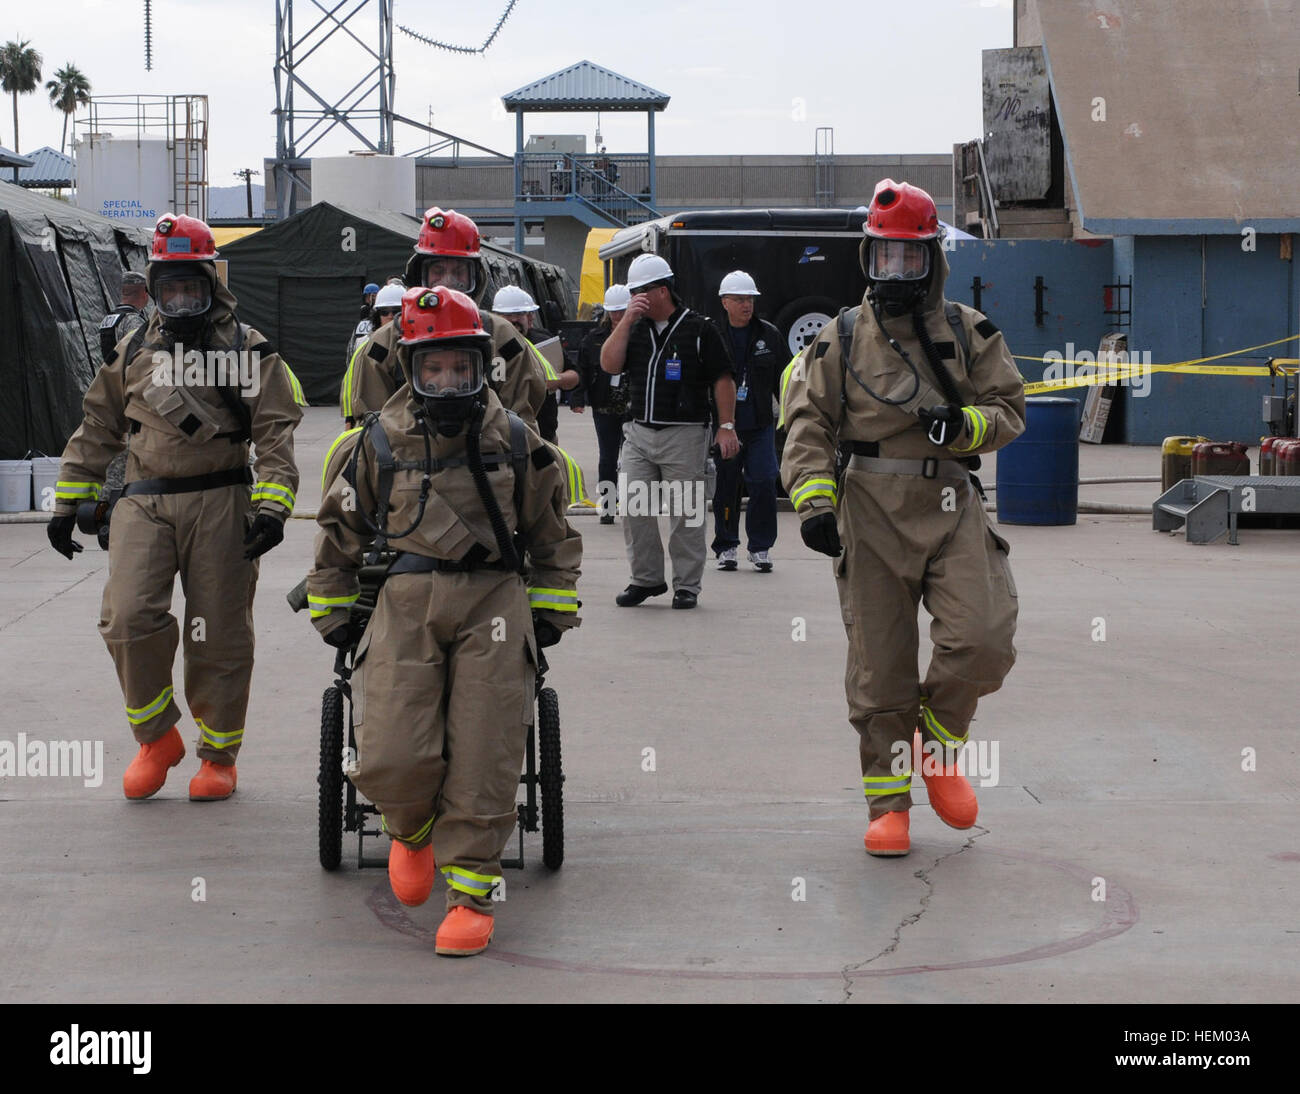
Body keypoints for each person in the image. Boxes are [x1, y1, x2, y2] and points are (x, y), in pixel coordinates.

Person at [308, 286, 582, 957]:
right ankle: (410, 831)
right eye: (433, 367)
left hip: (493, 600)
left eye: (460, 366)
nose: (447, 379)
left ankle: (471, 894)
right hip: (405, 599)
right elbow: (338, 528)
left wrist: (550, 606)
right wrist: (332, 606)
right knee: (391, 750)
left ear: (480, 364)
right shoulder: (374, 442)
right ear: (411, 368)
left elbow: (552, 535)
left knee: (487, 752)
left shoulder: (519, 441)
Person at [781, 179, 1024, 857]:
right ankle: (889, 804)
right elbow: (806, 422)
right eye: (883, 257)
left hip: (950, 501)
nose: (894, 272)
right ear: (868, 257)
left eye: (908, 259)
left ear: (932, 261)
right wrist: (814, 500)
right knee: (880, 667)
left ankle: (940, 745)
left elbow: (1009, 409)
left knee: (983, 635)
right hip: (868, 507)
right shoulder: (840, 337)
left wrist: (967, 424)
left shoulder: (970, 331)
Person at [48, 212, 302, 802]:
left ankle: (218, 756)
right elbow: (98, 425)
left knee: (218, 633)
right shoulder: (135, 346)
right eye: (170, 287)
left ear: (211, 283)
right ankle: (155, 738)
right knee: (128, 618)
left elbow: (276, 431)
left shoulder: (247, 349)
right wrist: (69, 498)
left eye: (192, 286)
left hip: (222, 501)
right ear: (156, 287)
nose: (181, 299)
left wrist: (272, 506)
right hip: (145, 499)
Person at [600, 253, 738, 609]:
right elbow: (608, 363)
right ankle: (645, 579)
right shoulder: (634, 329)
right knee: (634, 506)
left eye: (640, 292)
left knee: (686, 512)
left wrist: (726, 427)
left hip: (686, 433)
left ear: (662, 290)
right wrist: (626, 320)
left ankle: (687, 585)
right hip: (639, 432)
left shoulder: (701, 329)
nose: (635, 299)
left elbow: (723, 379)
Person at [344, 209, 546, 433]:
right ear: (419, 276)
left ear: (475, 278)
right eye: (437, 271)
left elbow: (523, 421)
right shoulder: (384, 344)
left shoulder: (504, 338)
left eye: (459, 272)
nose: (448, 282)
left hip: (491, 458)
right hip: (410, 461)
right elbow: (373, 429)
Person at [711, 270, 782, 573]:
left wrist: (793, 414)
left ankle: (761, 547)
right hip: (727, 426)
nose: (746, 305)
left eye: (750, 299)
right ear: (725, 302)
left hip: (761, 424)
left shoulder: (769, 334)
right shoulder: (712, 334)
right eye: (739, 299)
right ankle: (726, 546)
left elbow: (785, 377)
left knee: (765, 481)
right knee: (728, 485)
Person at [491, 285, 579, 445]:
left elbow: (574, 376)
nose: (513, 319)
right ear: (494, 317)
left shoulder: (545, 341)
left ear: (530, 318)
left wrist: (556, 380)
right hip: (500, 437)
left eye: (518, 314)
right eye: (506, 315)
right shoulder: (487, 346)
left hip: (544, 436)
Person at [578, 284, 630, 524]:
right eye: (613, 312)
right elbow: (584, 369)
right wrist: (578, 397)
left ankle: (633, 505)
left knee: (633, 460)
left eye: (621, 311)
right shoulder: (594, 339)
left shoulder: (640, 334)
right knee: (607, 459)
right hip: (604, 408)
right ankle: (608, 507)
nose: (617, 317)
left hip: (634, 409)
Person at [342, 282, 405, 425]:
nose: (390, 316)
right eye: (384, 312)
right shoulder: (365, 344)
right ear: (377, 315)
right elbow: (352, 381)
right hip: (374, 420)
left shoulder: (414, 347)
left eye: (396, 311)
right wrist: (349, 419)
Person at [98, 271, 151, 363]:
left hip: (111, 373)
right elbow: (141, 357)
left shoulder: (108, 319)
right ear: (144, 293)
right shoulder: (133, 320)